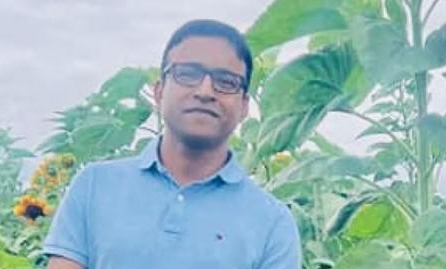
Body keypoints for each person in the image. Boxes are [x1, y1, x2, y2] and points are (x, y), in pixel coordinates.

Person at [43, 19, 301, 269]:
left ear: (244, 105)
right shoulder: (93, 186)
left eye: (226, 82)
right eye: (187, 74)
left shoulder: (272, 223)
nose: (205, 91)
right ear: (158, 91)